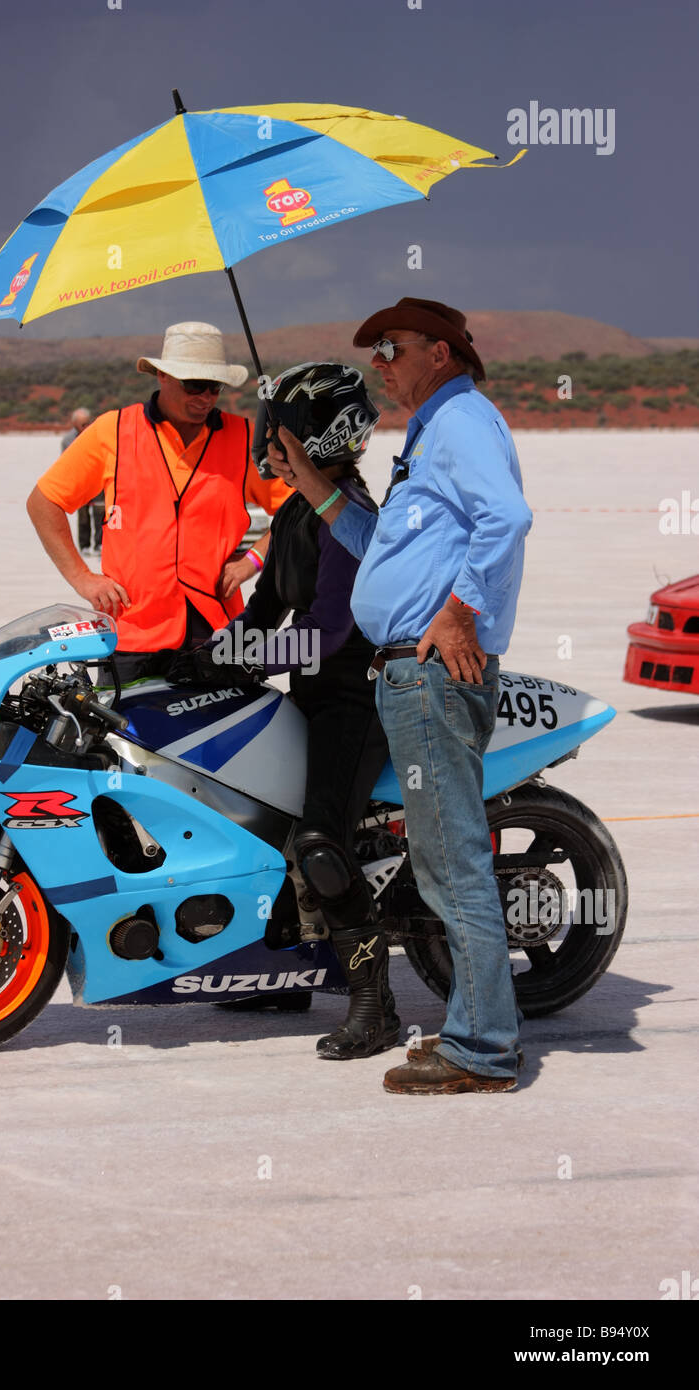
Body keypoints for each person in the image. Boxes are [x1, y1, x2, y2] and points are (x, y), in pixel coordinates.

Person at [265, 298, 534, 1094]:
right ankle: (475, 1036)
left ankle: (481, 1050)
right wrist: (311, 483)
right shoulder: (429, 431)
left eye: (390, 347)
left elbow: (508, 520)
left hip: (430, 677)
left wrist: (460, 612)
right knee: (443, 859)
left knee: (451, 865)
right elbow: (381, 544)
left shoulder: (461, 421)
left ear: (442, 351)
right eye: (373, 351)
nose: (377, 362)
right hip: (407, 676)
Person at [167, 363, 399, 1061]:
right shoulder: (301, 508)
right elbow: (268, 608)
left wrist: (248, 658)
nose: (269, 442)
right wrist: (201, 653)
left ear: (323, 438)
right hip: (310, 688)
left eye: (283, 431)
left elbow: (328, 632)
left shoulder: (350, 514)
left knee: (318, 843)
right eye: (271, 430)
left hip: (355, 697)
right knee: (257, 813)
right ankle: (285, 971)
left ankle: (375, 1003)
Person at [27, 323, 290, 683]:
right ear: (163, 376)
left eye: (215, 386)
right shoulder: (112, 431)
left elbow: (297, 510)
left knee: (216, 738)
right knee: (125, 739)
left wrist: (252, 561)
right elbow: (43, 503)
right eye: (195, 386)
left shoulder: (244, 438)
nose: (206, 398)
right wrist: (83, 579)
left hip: (216, 634)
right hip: (131, 633)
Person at [61, 407, 101, 557]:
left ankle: (99, 544)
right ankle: (84, 545)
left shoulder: (96, 435)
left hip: (97, 480)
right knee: (83, 515)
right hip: (80, 482)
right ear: (74, 424)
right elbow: (65, 463)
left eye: (87, 423)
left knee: (99, 513)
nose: (86, 427)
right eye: (82, 425)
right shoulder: (67, 440)